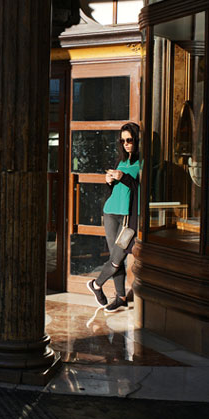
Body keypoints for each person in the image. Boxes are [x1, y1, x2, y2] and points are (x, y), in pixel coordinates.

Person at [87, 122, 140, 313]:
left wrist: (123, 177)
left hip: (127, 217)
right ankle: (121, 297)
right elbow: (117, 189)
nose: (126, 144)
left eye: (129, 140)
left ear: (136, 139)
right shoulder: (121, 161)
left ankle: (96, 284)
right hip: (110, 213)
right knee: (114, 258)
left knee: (117, 259)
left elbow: (137, 188)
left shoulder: (142, 163)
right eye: (123, 140)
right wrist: (109, 181)